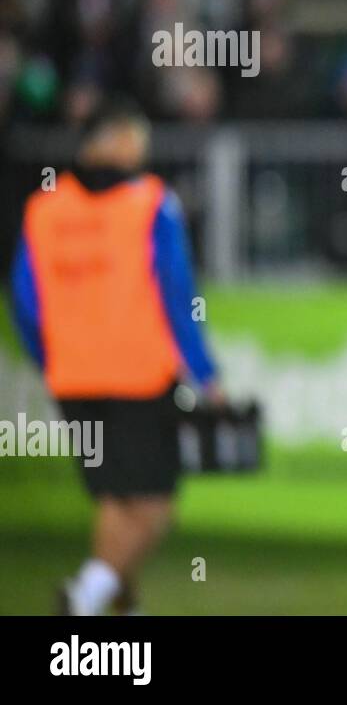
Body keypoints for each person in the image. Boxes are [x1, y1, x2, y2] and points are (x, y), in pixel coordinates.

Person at [9, 96, 223, 615]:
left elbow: (23, 299)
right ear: (121, 141)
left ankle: (119, 607)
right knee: (154, 502)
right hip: (139, 374)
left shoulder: (44, 207)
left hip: (72, 378)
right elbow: (177, 294)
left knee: (116, 498)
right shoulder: (151, 202)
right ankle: (87, 593)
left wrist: (52, 359)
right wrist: (204, 372)